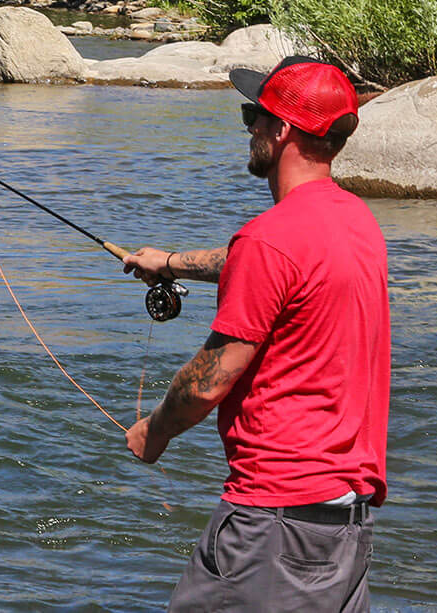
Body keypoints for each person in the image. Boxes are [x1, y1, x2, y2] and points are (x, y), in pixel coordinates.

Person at [120, 56, 388, 612]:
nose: (250, 129)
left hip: (274, 526)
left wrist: (155, 432)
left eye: (254, 116)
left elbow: (207, 382)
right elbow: (256, 262)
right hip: (343, 524)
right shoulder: (356, 221)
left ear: (282, 130)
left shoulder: (270, 240)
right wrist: (169, 262)